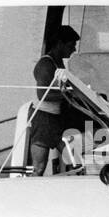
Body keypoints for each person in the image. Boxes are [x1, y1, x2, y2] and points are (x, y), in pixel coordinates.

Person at [29, 25, 81, 175]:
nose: (74, 50)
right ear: (60, 44)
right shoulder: (46, 64)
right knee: (38, 167)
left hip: (58, 120)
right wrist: (71, 95)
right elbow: (43, 95)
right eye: (71, 45)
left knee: (75, 162)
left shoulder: (59, 63)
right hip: (43, 119)